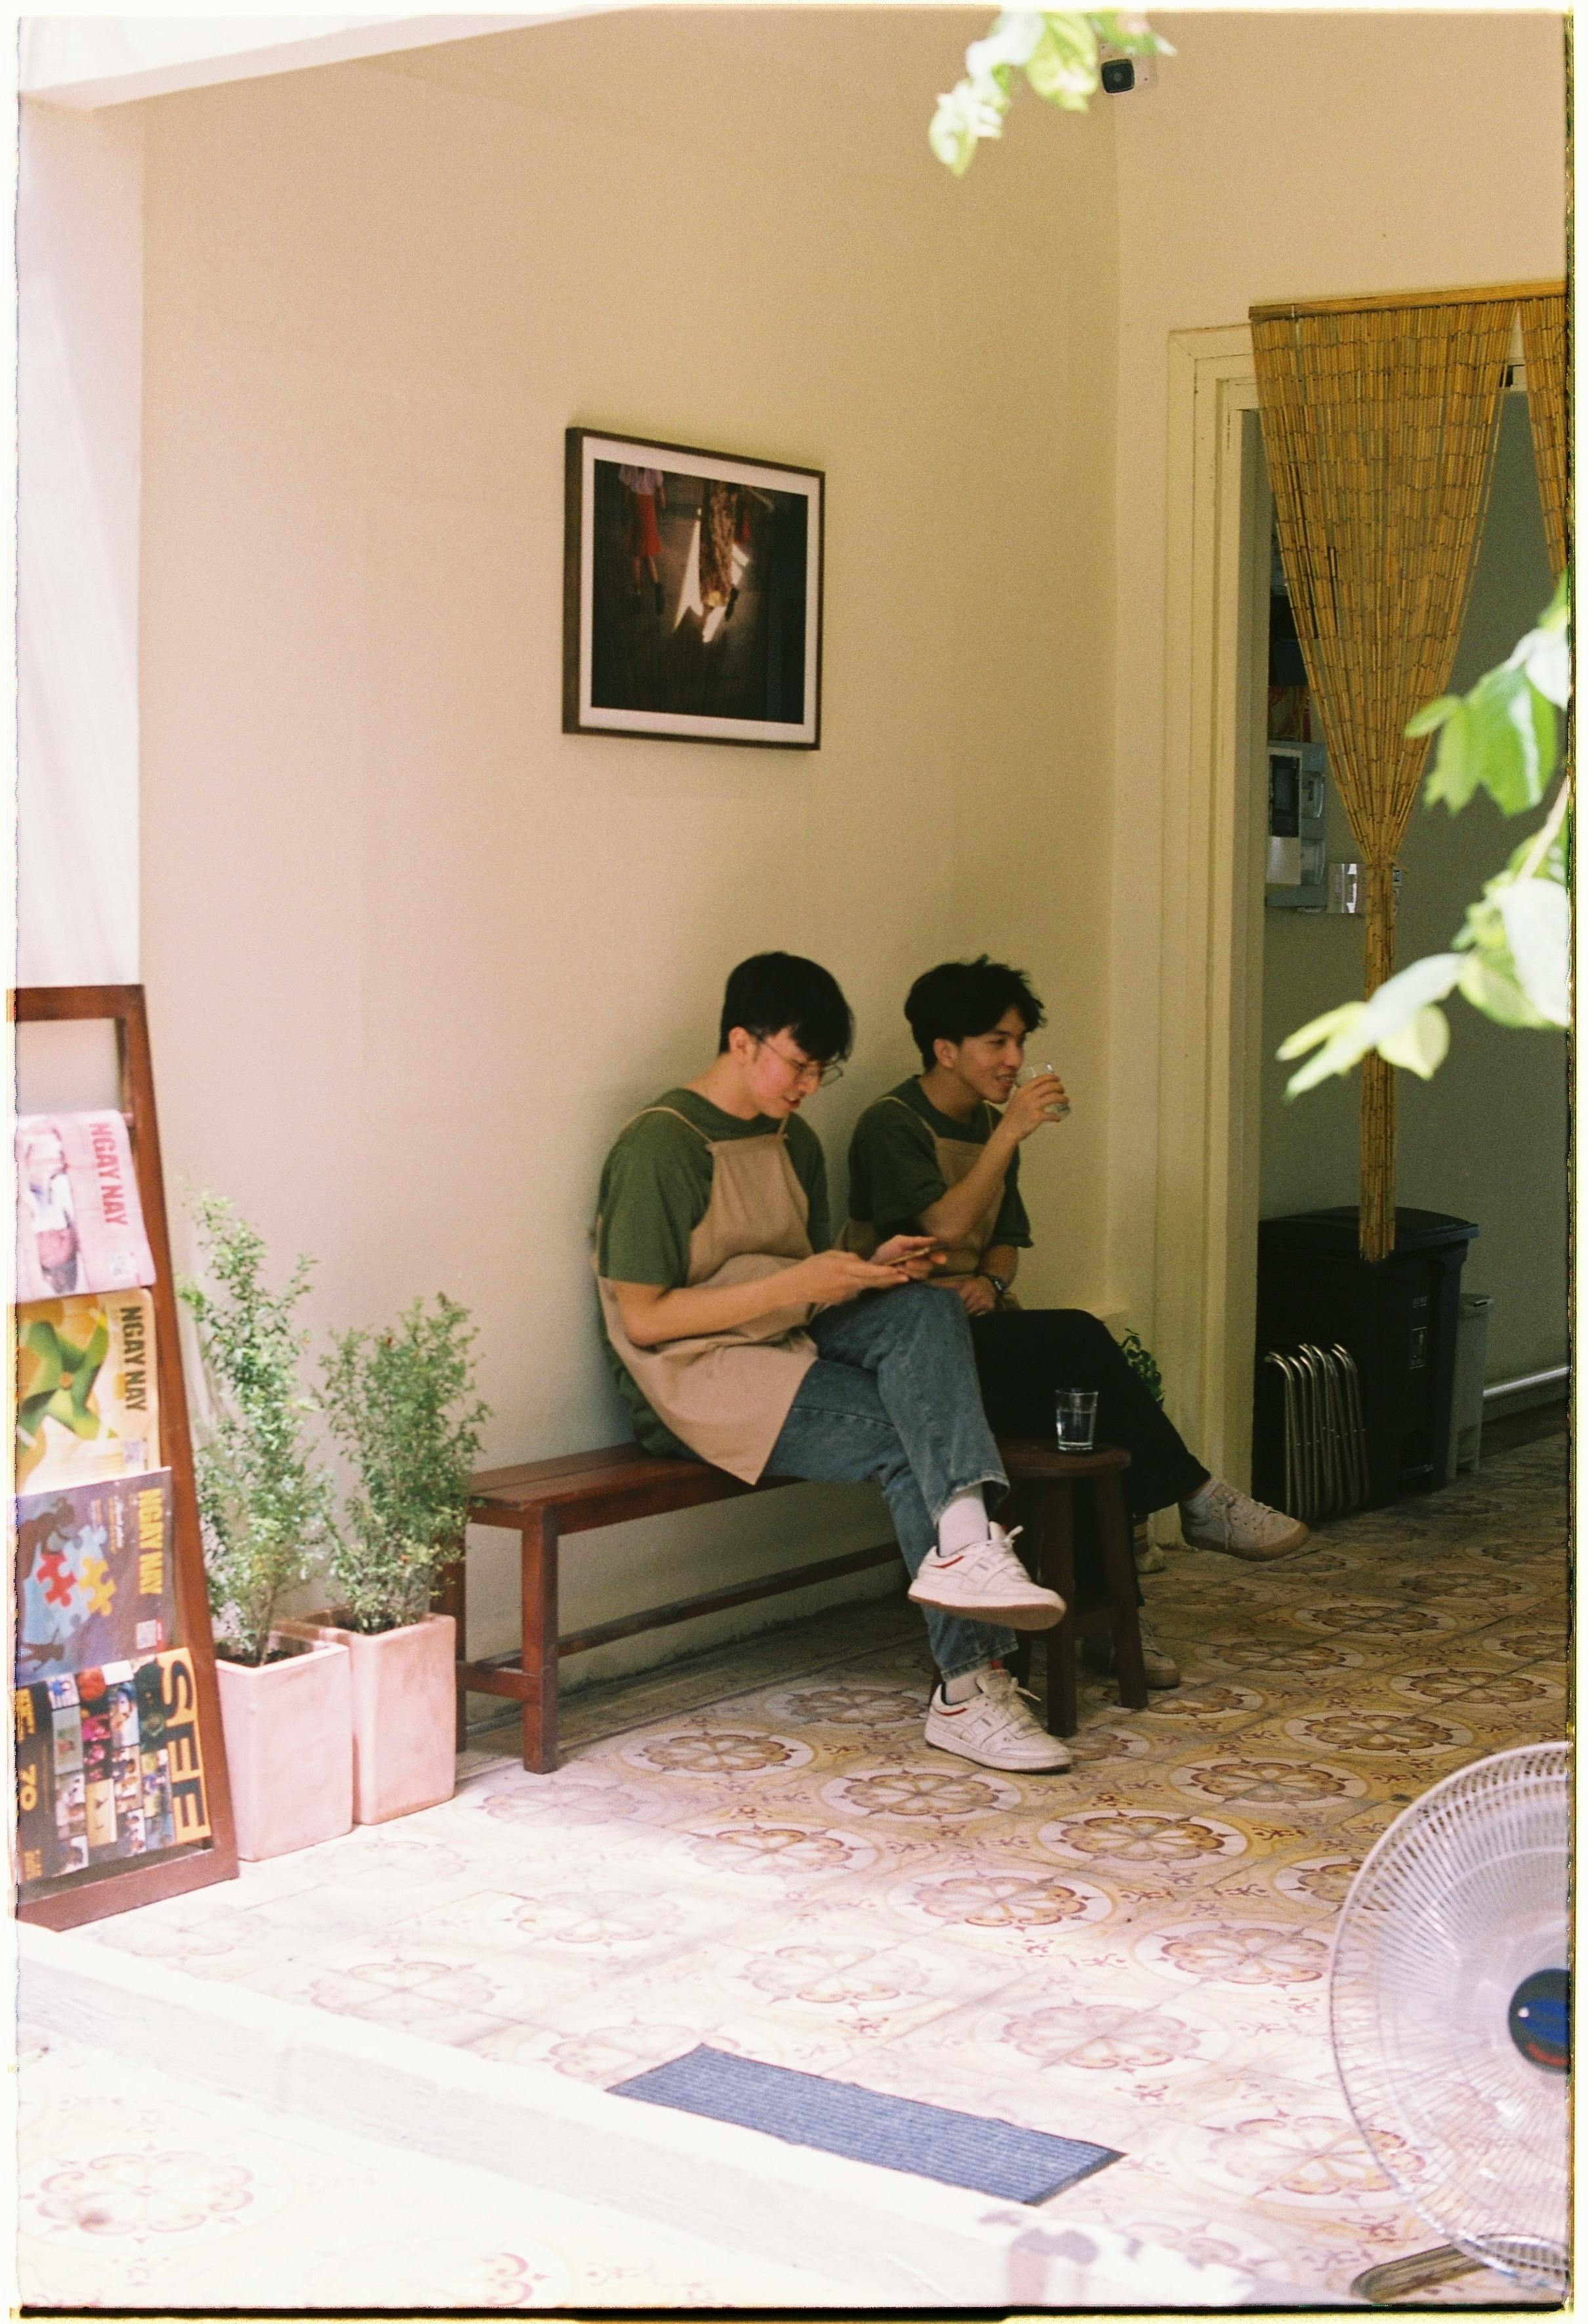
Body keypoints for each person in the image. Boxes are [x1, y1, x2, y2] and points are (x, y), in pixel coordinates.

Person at [594, 951, 1079, 1774]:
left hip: (783, 1341)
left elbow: (805, 1274)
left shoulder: (797, 1141)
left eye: (821, 1070)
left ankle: (965, 1546)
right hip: (696, 1378)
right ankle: (968, 1686)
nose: (808, 1085)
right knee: (908, 1437)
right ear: (742, 1042)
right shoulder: (661, 1145)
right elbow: (643, 1319)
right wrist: (802, 1281)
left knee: (926, 1305)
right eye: (797, 1063)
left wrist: (865, 1261)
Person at [845, 957, 1311, 1689]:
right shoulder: (892, 1124)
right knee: (1081, 1341)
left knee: (1085, 1417)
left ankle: (1108, 1617)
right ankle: (1197, 1500)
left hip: (980, 1329)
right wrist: (1009, 1141)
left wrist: (992, 1281)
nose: (1015, 1060)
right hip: (910, 1352)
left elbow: (1004, 1242)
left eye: (1020, 1042)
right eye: (998, 1043)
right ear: (945, 1048)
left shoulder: (996, 1127)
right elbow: (939, 1225)